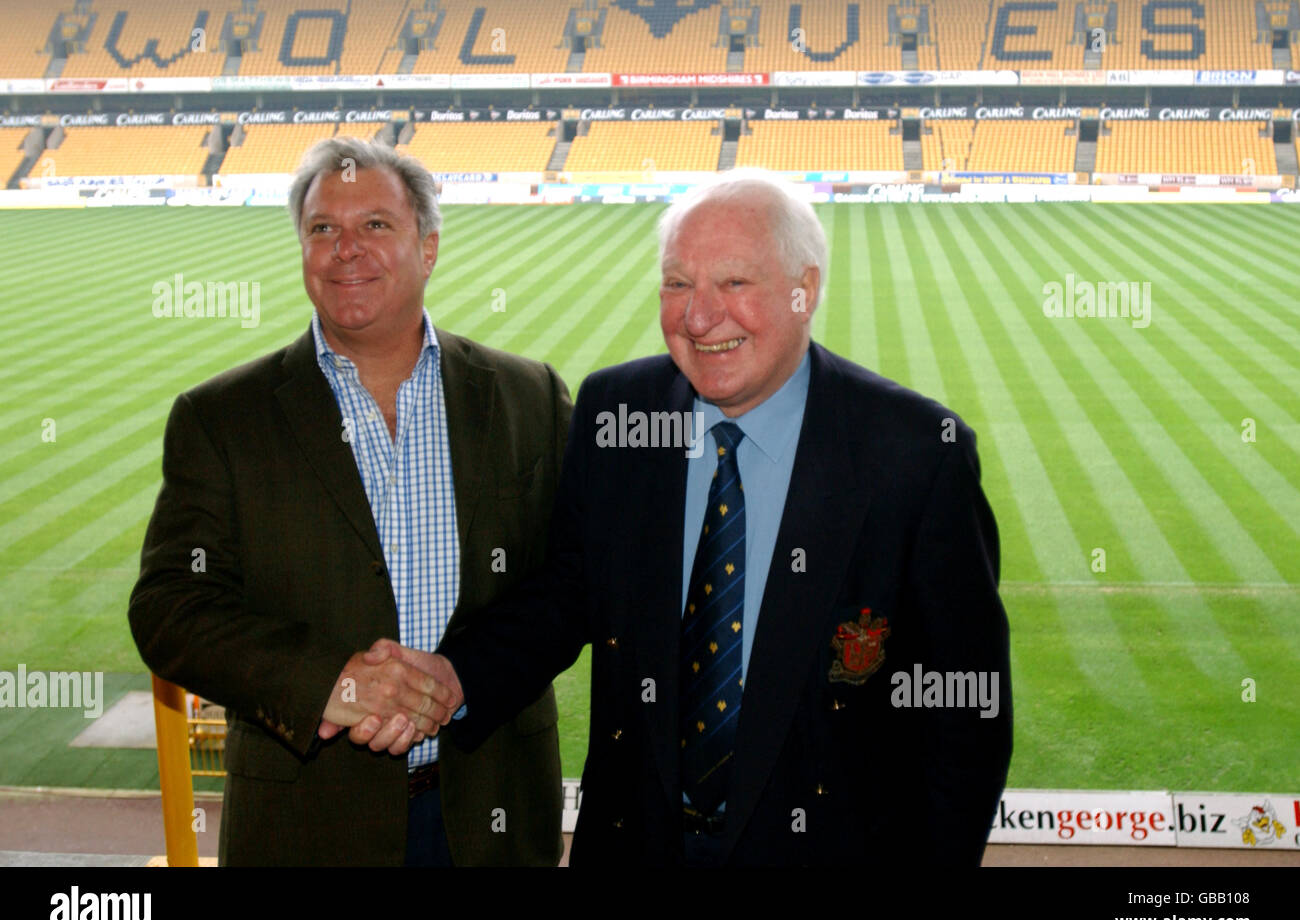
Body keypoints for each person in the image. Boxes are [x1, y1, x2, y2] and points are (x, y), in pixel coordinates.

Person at [358, 170, 1014, 865]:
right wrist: (457, 675)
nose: (699, 318)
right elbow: (571, 593)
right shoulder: (619, 412)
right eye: (678, 284)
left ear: (805, 289)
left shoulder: (915, 453)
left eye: (734, 284)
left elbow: (964, 712)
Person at [128, 136, 569, 866]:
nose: (345, 249)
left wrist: (464, 676)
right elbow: (170, 608)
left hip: (491, 813)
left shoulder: (530, 398)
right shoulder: (221, 417)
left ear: (428, 247)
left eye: (375, 225)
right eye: (323, 229)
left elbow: (573, 583)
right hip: (305, 828)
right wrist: (329, 682)